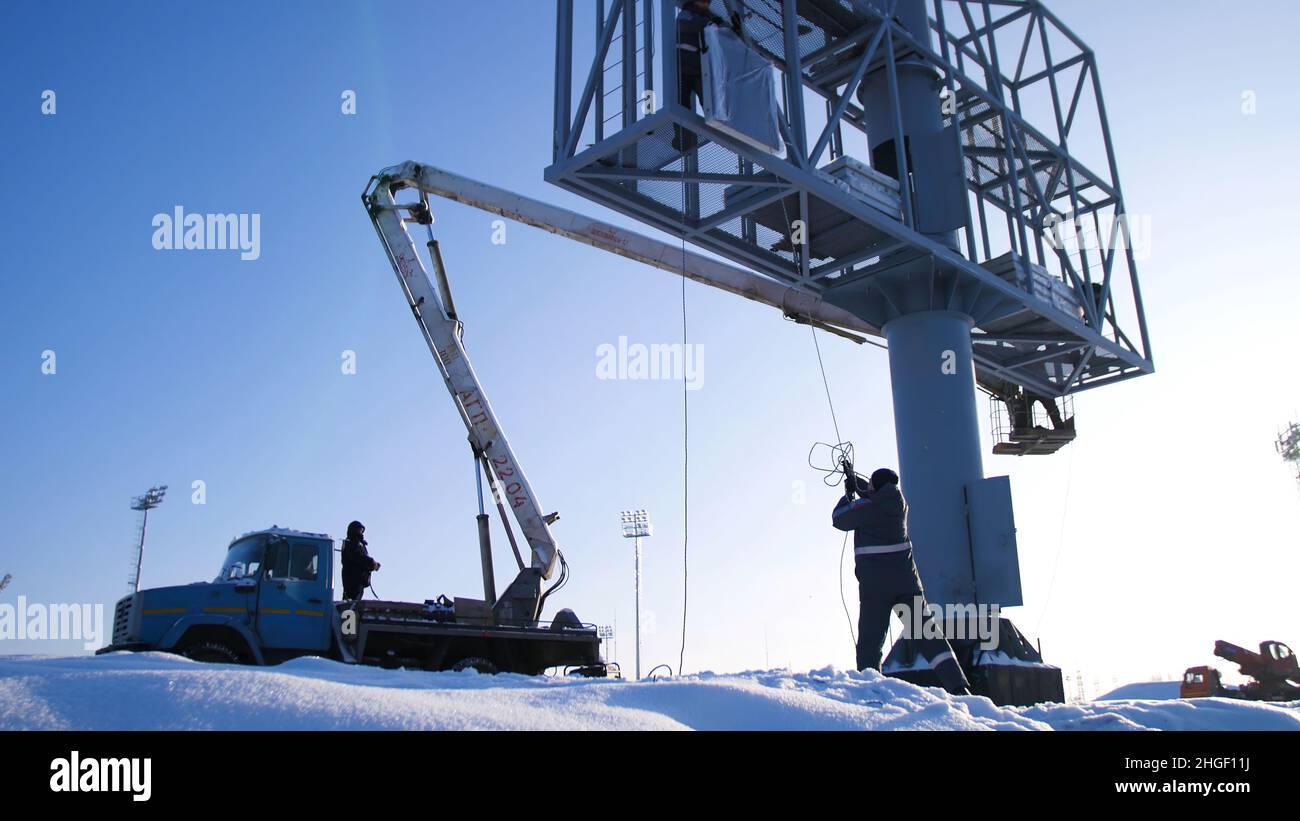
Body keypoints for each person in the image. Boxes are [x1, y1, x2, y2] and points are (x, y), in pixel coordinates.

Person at [832, 464, 971, 695]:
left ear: (876, 486)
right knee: (928, 635)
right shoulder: (899, 503)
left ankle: (871, 686)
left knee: (871, 640)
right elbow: (871, 497)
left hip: (876, 587)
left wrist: (846, 494)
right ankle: (957, 685)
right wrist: (854, 479)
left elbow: (839, 519)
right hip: (907, 583)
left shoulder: (868, 507)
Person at [673, 0, 740, 151]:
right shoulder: (687, 13)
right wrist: (710, 24)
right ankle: (683, 139)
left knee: (710, 101)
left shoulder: (710, 18)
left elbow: (724, 31)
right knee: (681, 105)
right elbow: (685, 25)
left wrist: (733, 28)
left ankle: (724, 131)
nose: (706, 3)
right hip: (681, 67)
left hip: (700, 69)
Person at [340, 520, 380, 601]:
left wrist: (372, 564)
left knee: (355, 602)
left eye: (362, 530)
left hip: (359, 580)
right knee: (352, 603)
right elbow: (359, 557)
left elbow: (362, 557)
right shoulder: (351, 543)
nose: (361, 532)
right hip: (352, 580)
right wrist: (372, 563)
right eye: (359, 530)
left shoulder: (358, 543)